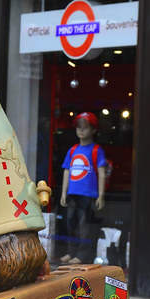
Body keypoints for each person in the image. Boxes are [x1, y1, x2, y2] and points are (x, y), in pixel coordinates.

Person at [60, 111, 108, 264]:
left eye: (85, 127)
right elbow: (66, 171)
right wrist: (63, 192)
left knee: (84, 226)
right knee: (70, 223)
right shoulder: (73, 150)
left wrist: (101, 195)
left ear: (93, 130)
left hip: (88, 194)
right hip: (73, 193)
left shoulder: (96, 151)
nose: (81, 130)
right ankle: (71, 251)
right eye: (78, 127)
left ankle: (82, 255)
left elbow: (101, 173)